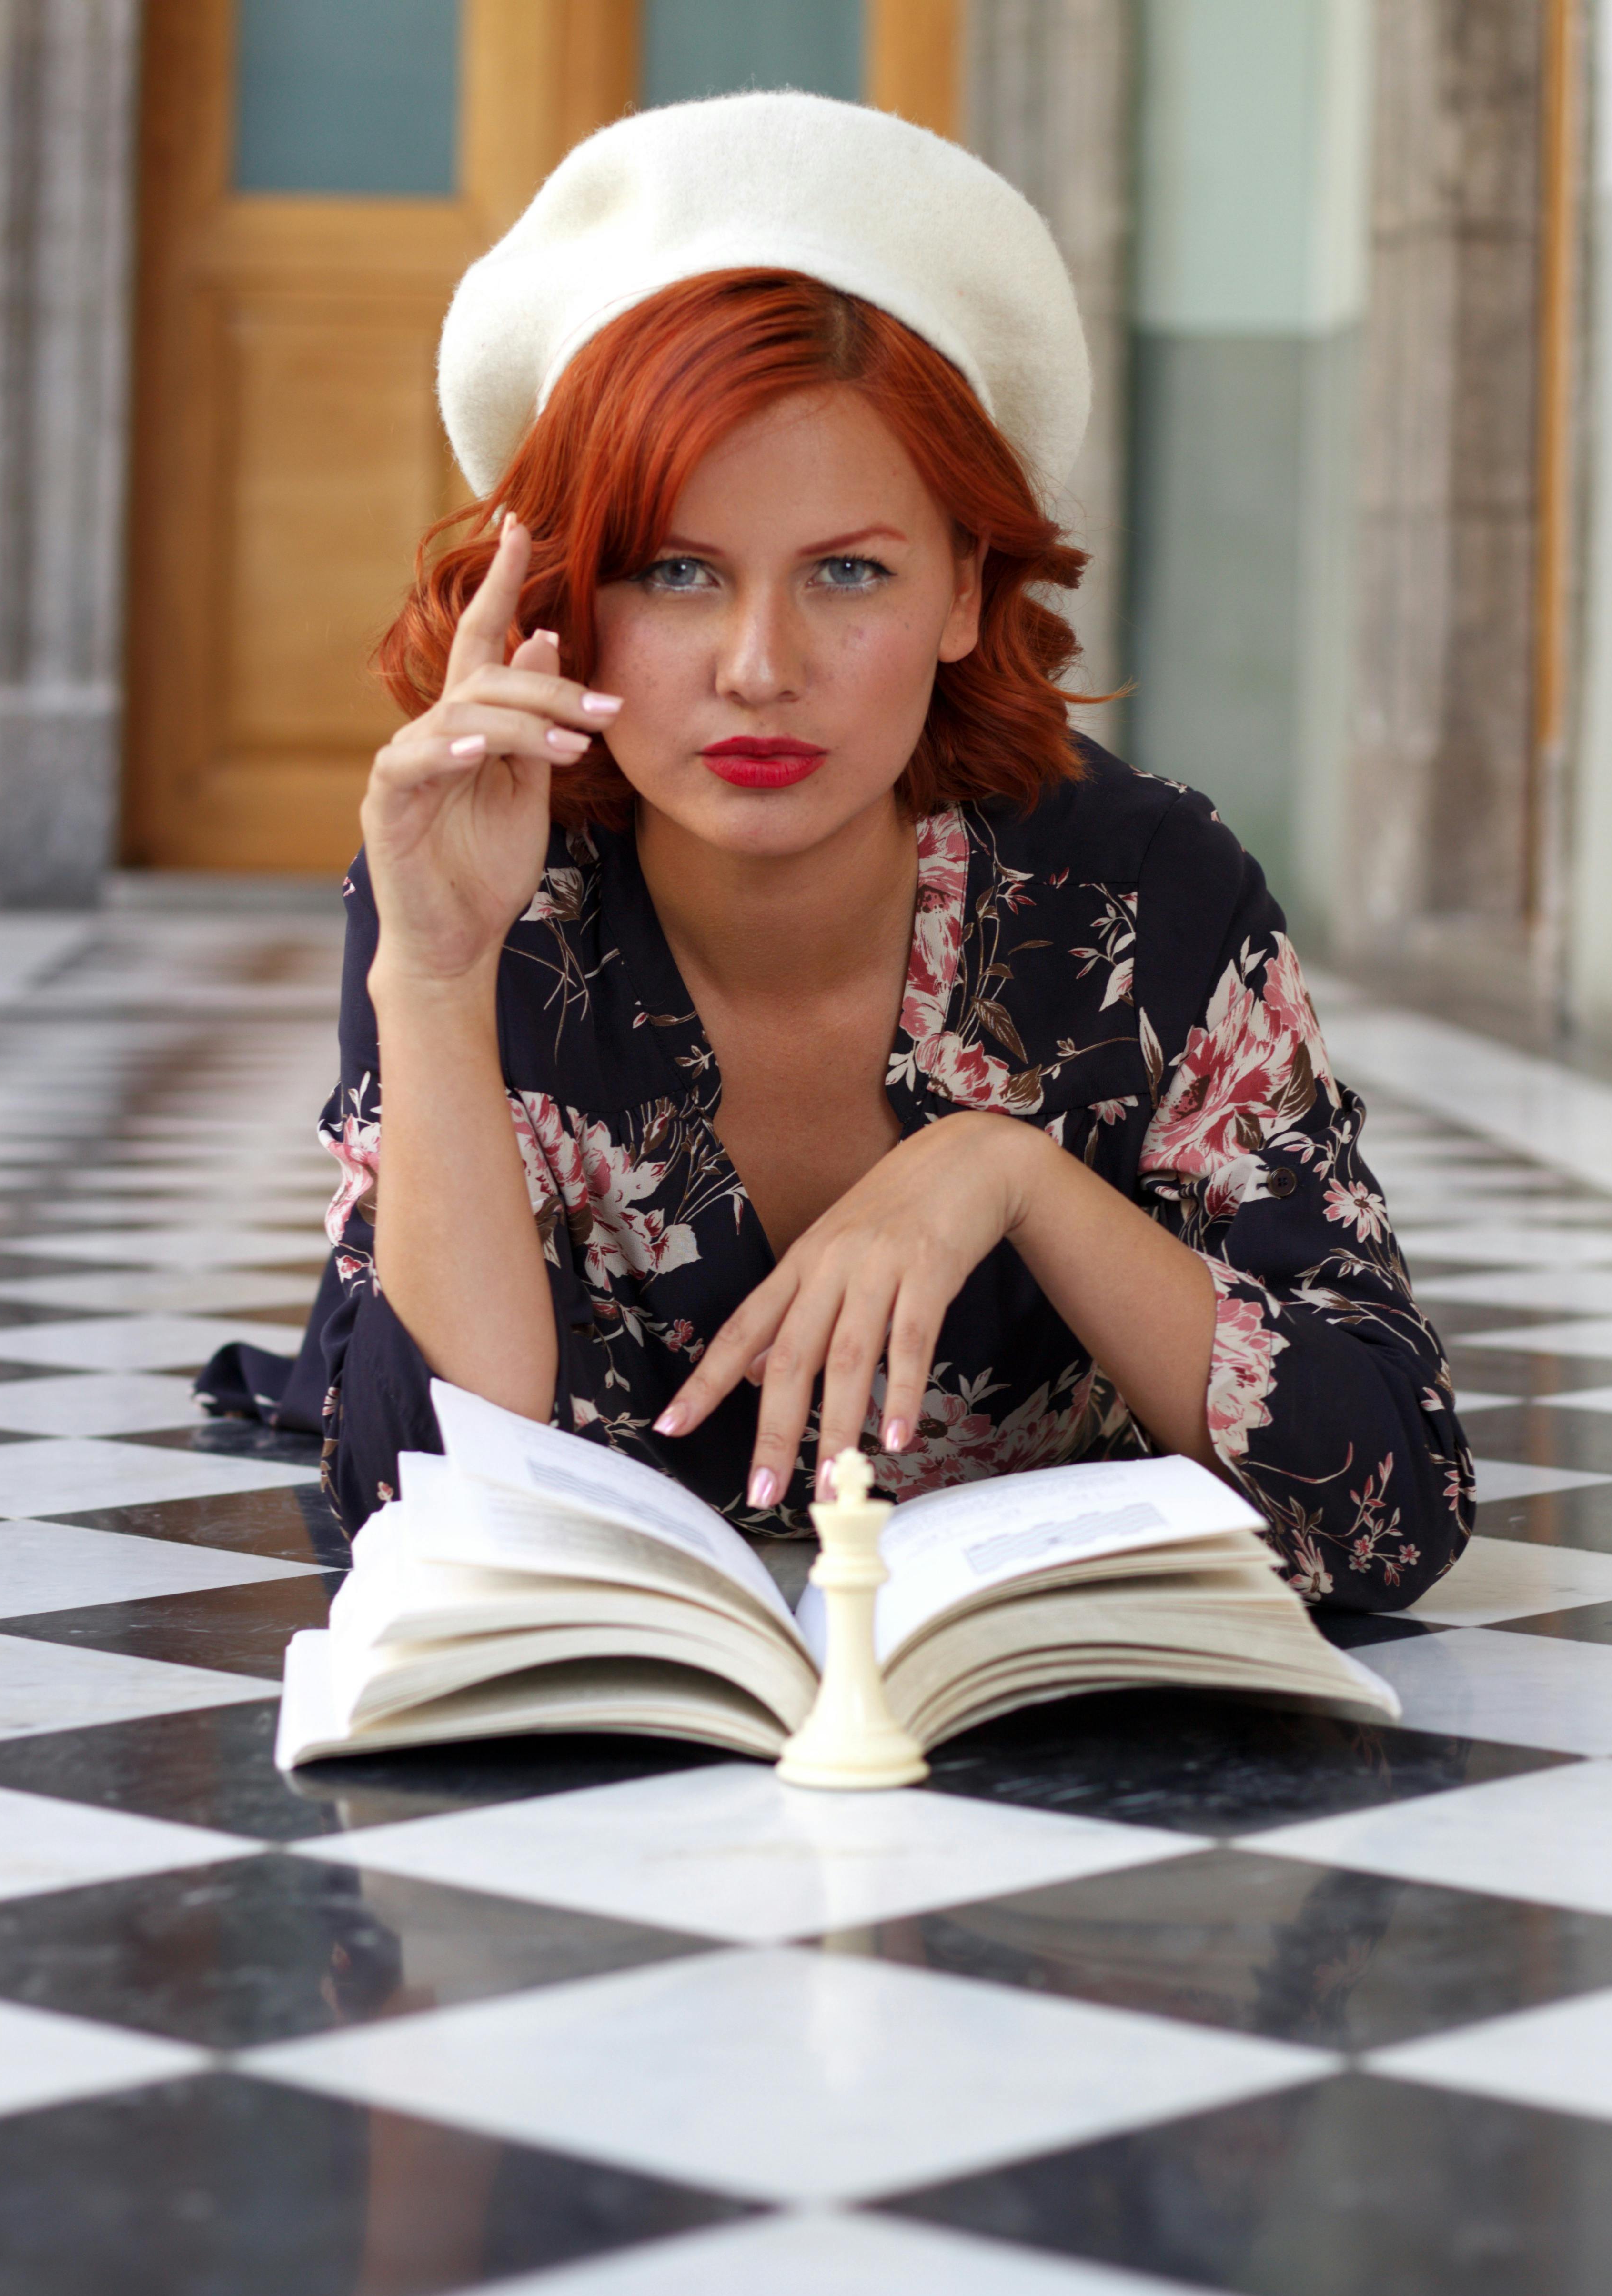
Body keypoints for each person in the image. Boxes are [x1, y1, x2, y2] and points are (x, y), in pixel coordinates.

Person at [202, 92, 1472, 1613]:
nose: (757, 665)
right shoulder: (481, 886)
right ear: (563, 601)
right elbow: (415, 1513)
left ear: (963, 593)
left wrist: (1013, 1177)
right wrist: (434, 968)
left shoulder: (1143, 897)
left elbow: (1397, 1511)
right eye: (675, 570)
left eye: (848, 572)